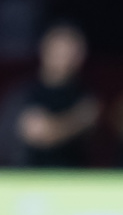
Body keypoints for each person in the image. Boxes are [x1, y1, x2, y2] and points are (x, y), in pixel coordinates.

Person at [16, 23, 99, 167]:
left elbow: (93, 119)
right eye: (60, 51)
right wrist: (77, 119)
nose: (66, 58)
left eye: (72, 52)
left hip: (76, 179)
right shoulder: (29, 91)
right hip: (35, 179)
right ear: (45, 51)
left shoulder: (85, 92)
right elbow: (39, 134)